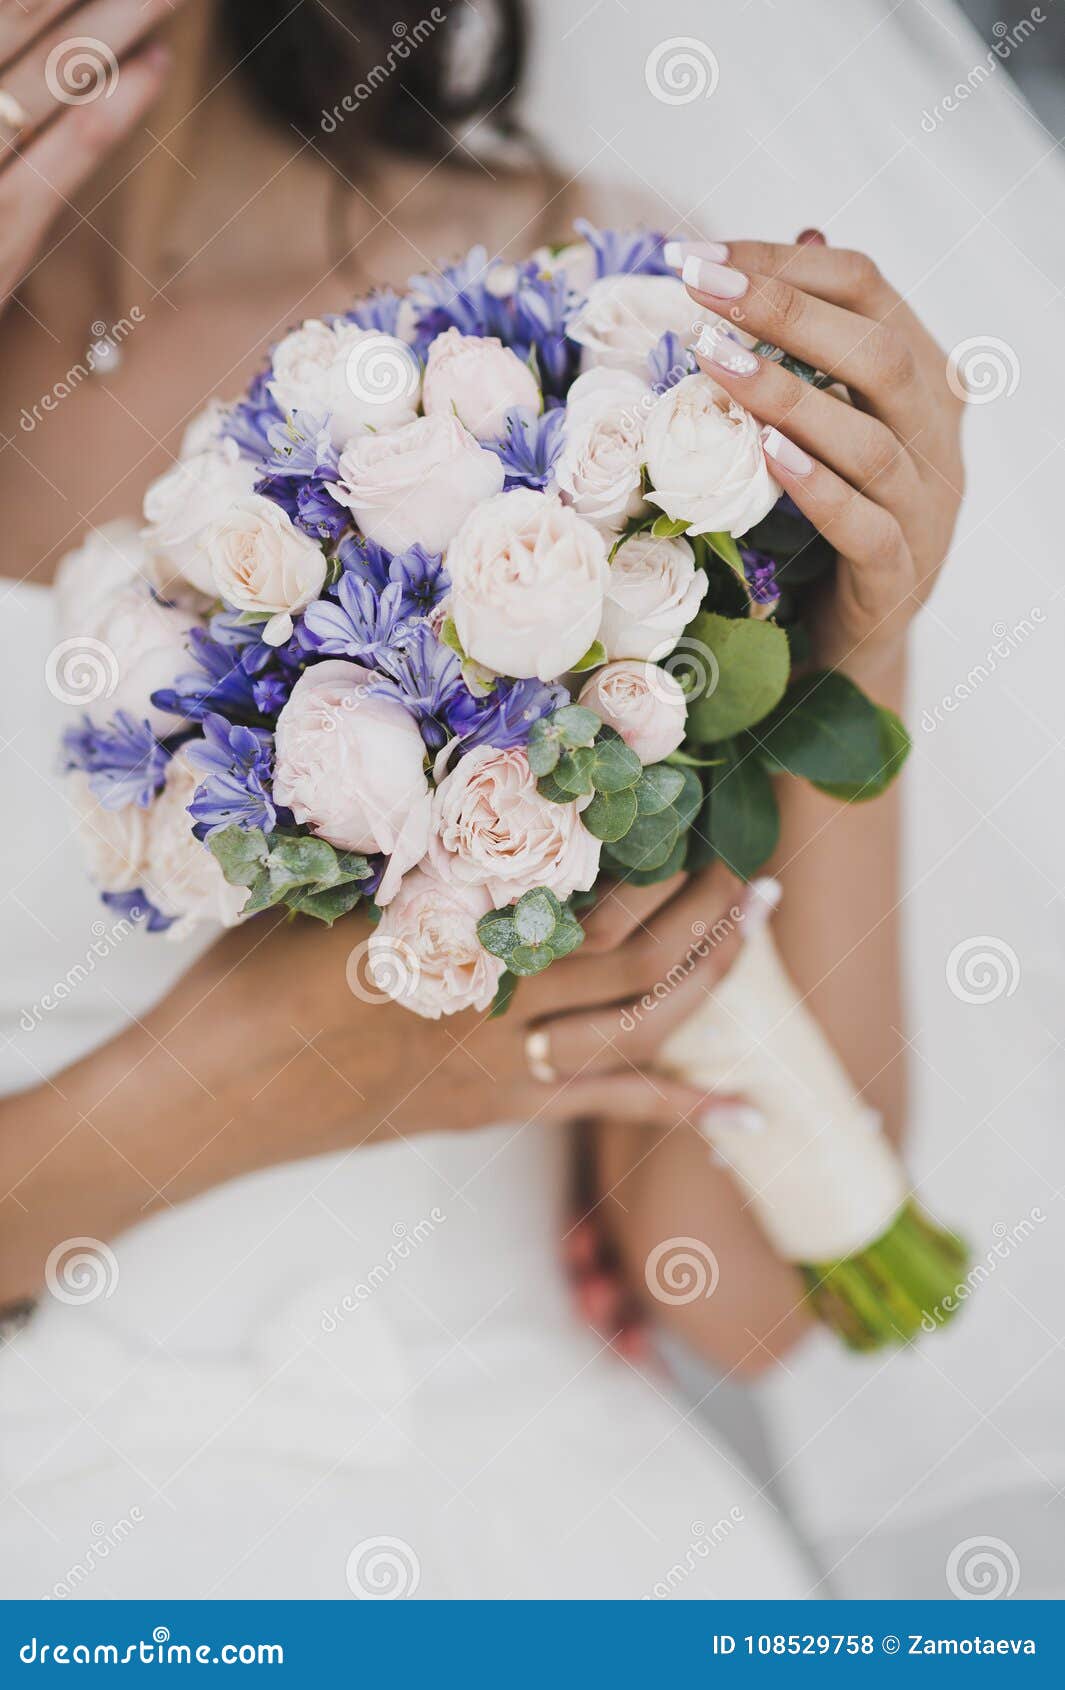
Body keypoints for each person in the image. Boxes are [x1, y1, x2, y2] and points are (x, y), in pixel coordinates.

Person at [0, 0, 962, 1597]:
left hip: (500, 1551)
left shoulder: (575, 315)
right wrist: (244, 1078)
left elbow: (731, 1286)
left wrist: (851, 641)